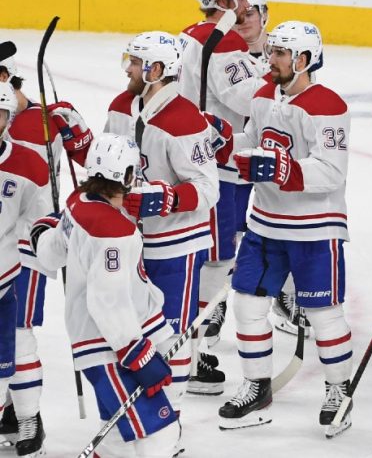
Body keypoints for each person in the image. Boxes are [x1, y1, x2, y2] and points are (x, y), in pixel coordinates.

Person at [221, 21, 353, 438]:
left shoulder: (328, 106)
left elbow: (331, 171)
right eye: (271, 51)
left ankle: (338, 391)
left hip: (314, 229)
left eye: (278, 53)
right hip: (265, 223)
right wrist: (223, 142)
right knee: (247, 305)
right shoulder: (262, 95)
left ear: (303, 60)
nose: (269, 59)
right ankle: (257, 388)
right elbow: (254, 141)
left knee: (323, 313)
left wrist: (283, 169)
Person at [99, 31, 221, 437]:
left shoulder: (186, 119)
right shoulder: (121, 107)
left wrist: (164, 198)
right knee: (132, 331)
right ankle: (143, 416)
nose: (128, 68)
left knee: (171, 336)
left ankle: (172, 423)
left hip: (175, 246)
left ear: (156, 70)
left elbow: (208, 188)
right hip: (129, 243)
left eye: (135, 62)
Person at [31, 133, 180, 457]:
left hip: (117, 335)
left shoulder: (78, 203)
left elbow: (52, 254)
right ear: (125, 175)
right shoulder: (112, 231)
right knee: (159, 433)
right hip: (109, 345)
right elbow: (107, 301)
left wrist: (41, 232)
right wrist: (135, 352)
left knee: (117, 437)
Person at [0, 59, 91, 457]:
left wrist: (72, 127)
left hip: (24, 252)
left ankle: (28, 419)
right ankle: (11, 412)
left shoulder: (45, 120)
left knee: (18, 338)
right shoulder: (39, 118)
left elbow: (87, 158)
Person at [178, 0, 263, 385]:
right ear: (225, 2)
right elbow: (245, 98)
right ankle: (191, 352)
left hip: (192, 158)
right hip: (219, 165)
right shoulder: (223, 38)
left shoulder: (186, 36)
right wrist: (280, 76)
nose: (247, 5)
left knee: (201, 253)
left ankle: (191, 346)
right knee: (216, 258)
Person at [232, 0, 312, 339]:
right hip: (236, 159)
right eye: (237, 16)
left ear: (264, 14)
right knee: (234, 233)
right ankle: (222, 306)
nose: (244, 20)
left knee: (291, 218)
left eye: (250, 13)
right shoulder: (223, 56)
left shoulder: (287, 56)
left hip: (279, 160)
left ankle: (291, 293)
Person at [0, 81, 49, 457]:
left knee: (19, 341)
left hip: (10, 273)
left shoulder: (29, 164)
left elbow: (42, 221)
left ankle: (29, 417)